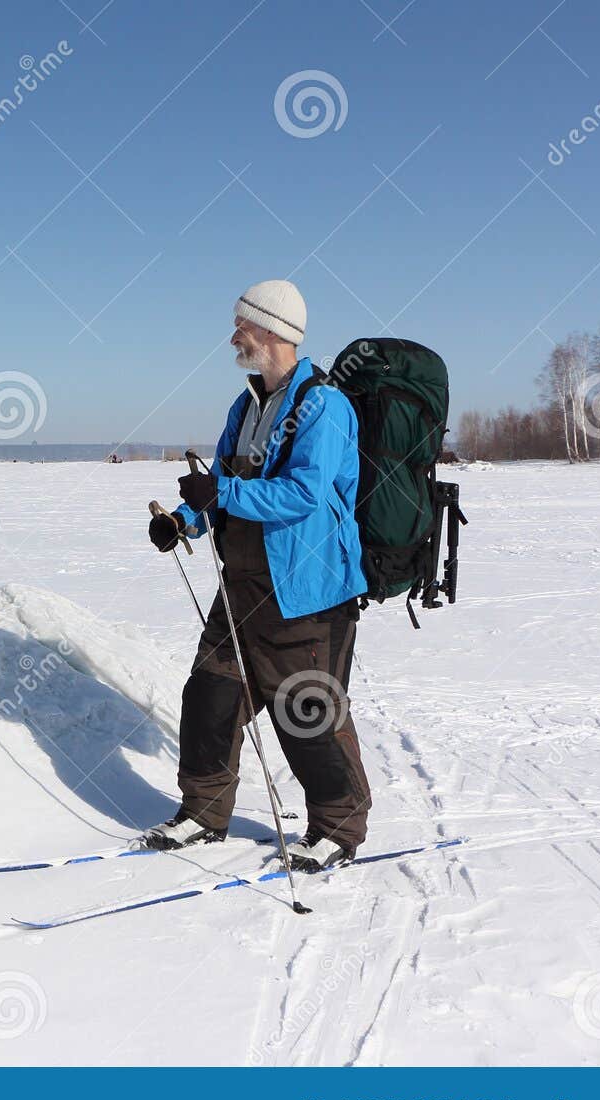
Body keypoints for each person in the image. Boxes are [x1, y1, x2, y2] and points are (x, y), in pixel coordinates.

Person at [145, 279, 372, 872]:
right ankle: (203, 812)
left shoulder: (324, 405)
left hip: (307, 588)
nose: (232, 336)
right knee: (210, 695)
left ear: (271, 329)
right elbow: (219, 482)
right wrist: (185, 520)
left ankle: (336, 829)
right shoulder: (244, 406)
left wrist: (221, 490)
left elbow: (303, 493)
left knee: (306, 712)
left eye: (240, 325)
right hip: (242, 585)